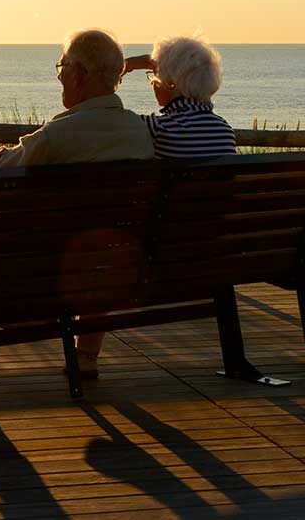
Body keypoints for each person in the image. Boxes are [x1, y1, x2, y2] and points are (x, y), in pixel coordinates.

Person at [0, 28, 154, 399]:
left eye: (61, 67)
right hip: (99, 269)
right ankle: (85, 355)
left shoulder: (55, 137)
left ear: (80, 75)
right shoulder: (139, 133)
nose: (59, 76)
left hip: (25, 274)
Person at [72, 34, 238, 369]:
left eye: (155, 78)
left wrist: (125, 67)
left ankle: (86, 355)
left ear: (172, 83)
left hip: (155, 255)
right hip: (208, 252)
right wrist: (151, 64)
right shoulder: (224, 132)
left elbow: (97, 121)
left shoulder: (151, 129)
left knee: (101, 246)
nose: (152, 84)